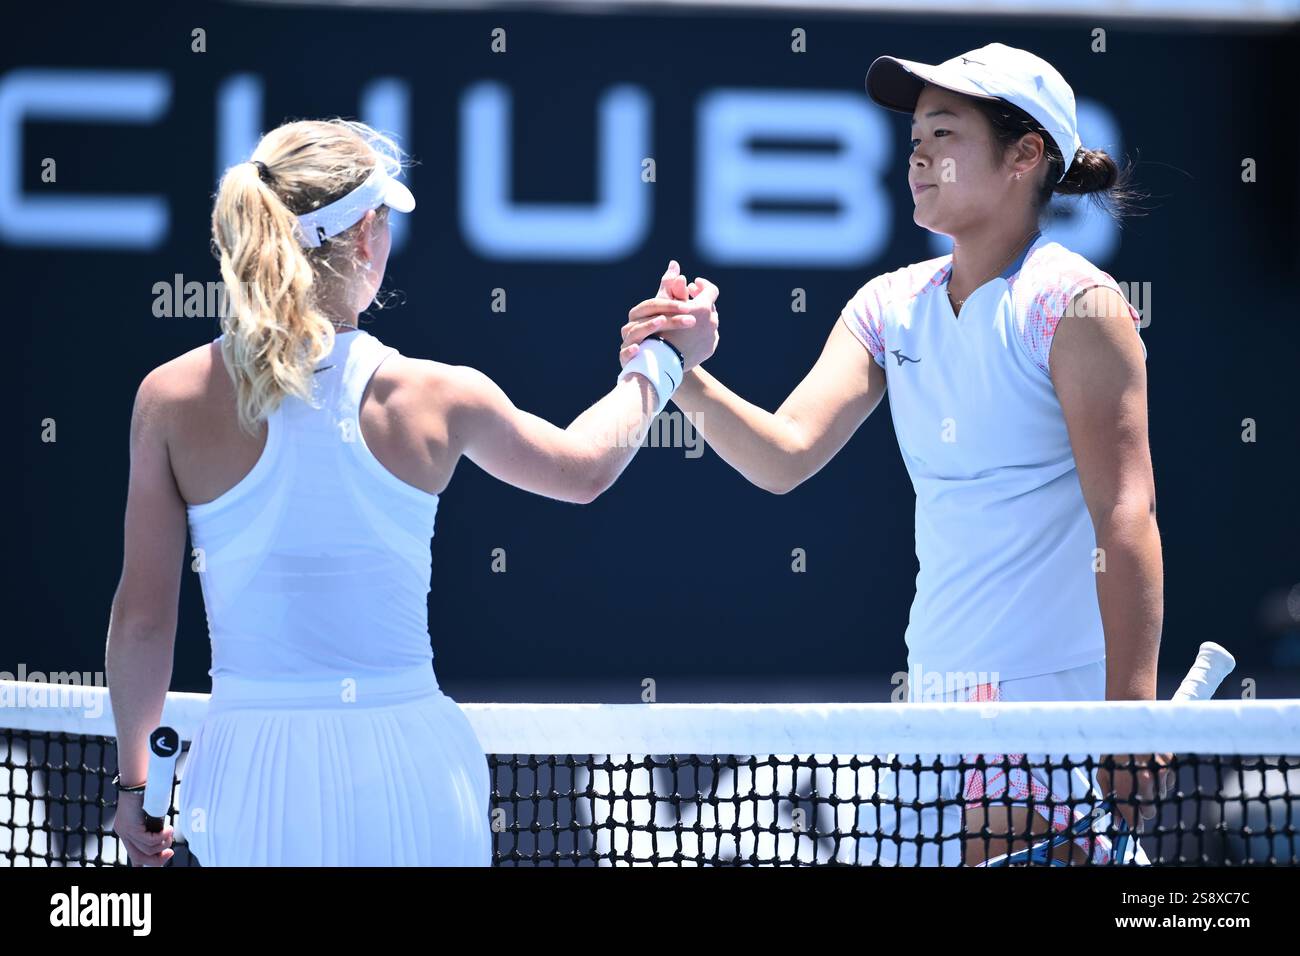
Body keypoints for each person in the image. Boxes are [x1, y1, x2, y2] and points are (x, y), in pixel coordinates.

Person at [105, 118, 718, 866]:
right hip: (407, 770)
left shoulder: (168, 399)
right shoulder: (436, 396)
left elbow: (142, 622)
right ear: (366, 236)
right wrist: (662, 361)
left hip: (244, 778)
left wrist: (135, 786)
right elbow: (586, 468)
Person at [621, 44, 1166, 865]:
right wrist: (684, 374)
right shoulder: (887, 306)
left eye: (944, 133)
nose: (917, 153)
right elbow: (784, 455)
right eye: (914, 136)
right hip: (927, 707)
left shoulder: (1077, 305)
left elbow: (1125, 515)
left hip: (1045, 706)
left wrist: (1130, 714)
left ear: (1025, 157)